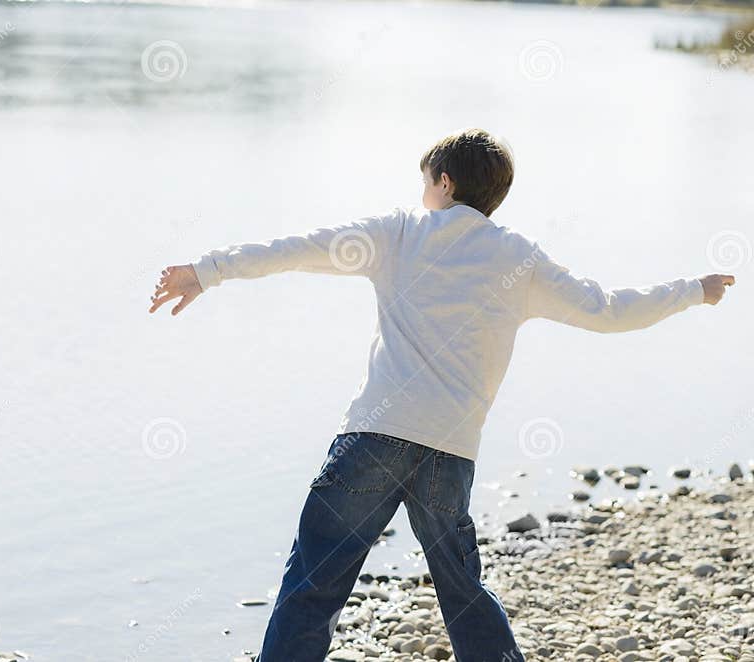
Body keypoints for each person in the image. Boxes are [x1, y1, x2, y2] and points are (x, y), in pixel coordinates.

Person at [148, 128, 735, 661]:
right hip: (449, 452)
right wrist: (692, 290)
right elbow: (608, 311)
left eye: (426, 181)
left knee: (314, 584)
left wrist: (208, 269)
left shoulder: (398, 232)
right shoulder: (519, 258)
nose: (422, 192)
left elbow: (298, 248)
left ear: (444, 182)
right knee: (461, 591)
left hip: (373, 438)